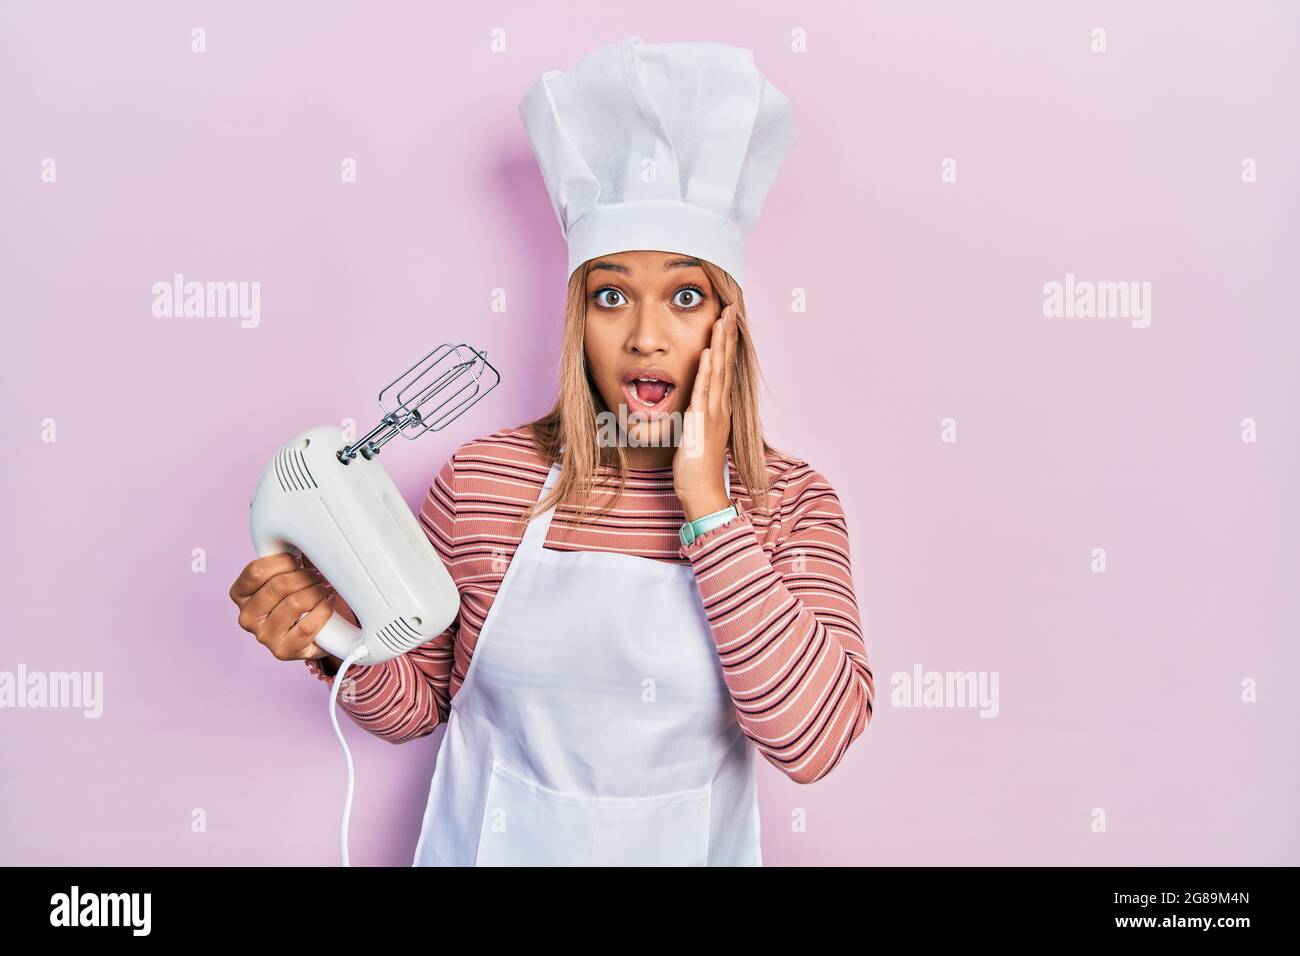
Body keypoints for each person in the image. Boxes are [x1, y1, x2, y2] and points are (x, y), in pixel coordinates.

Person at [228, 36, 874, 866]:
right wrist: (323, 632)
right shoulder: (487, 481)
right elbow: (417, 708)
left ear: (728, 323)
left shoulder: (790, 503)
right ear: (580, 319)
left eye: (685, 296)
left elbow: (812, 744)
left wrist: (708, 504)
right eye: (611, 296)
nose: (645, 337)